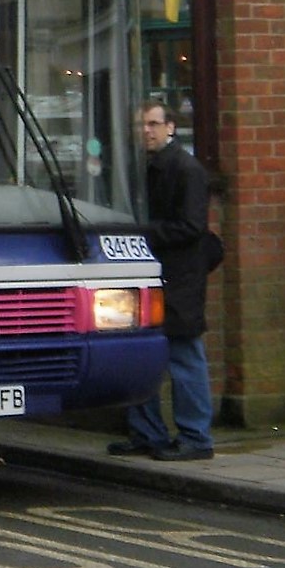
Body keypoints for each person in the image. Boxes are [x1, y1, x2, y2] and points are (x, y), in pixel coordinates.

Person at [109, 100, 217, 461]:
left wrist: (142, 233)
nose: (146, 131)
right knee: (139, 354)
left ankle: (195, 437)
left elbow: (192, 226)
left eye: (153, 124)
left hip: (179, 276)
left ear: (170, 127)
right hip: (154, 272)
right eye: (140, 125)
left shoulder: (186, 169)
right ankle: (147, 432)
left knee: (185, 355)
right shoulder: (143, 167)